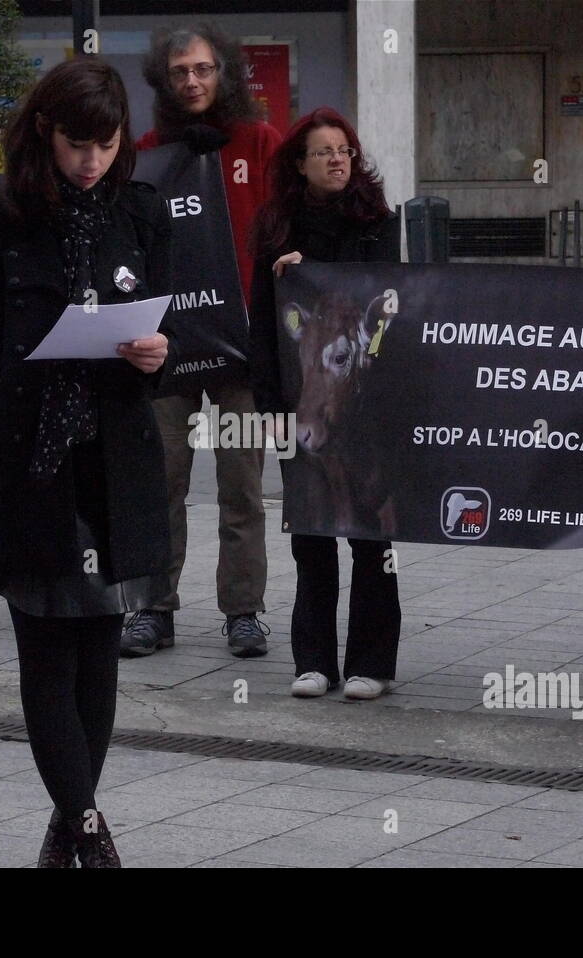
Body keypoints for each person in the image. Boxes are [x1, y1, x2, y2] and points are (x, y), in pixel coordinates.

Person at [0, 58, 175, 868]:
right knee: (46, 647)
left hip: (116, 463)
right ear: (45, 131)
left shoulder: (137, 214)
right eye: (77, 144)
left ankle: (70, 821)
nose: (91, 161)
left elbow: (176, 345)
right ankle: (91, 832)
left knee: (100, 648)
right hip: (31, 463)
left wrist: (155, 357)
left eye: (105, 144)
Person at [122, 23, 282, 658]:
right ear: (164, 81)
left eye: (203, 69)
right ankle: (152, 609)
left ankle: (243, 610)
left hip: (241, 350)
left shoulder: (261, 142)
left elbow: (283, 232)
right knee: (160, 479)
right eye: (180, 72)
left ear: (226, 73)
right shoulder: (147, 152)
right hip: (167, 348)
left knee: (241, 485)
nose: (191, 80)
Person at [248, 108, 402, 701]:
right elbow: (263, 325)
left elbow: (387, 292)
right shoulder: (275, 227)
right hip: (299, 403)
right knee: (310, 528)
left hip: (363, 408)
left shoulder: (377, 220)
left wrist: (314, 275)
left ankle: (372, 662)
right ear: (300, 164)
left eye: (344, 150)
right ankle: (313, 659)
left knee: (371, 534)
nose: (338, 160)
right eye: (323, 151)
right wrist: (269, 406)